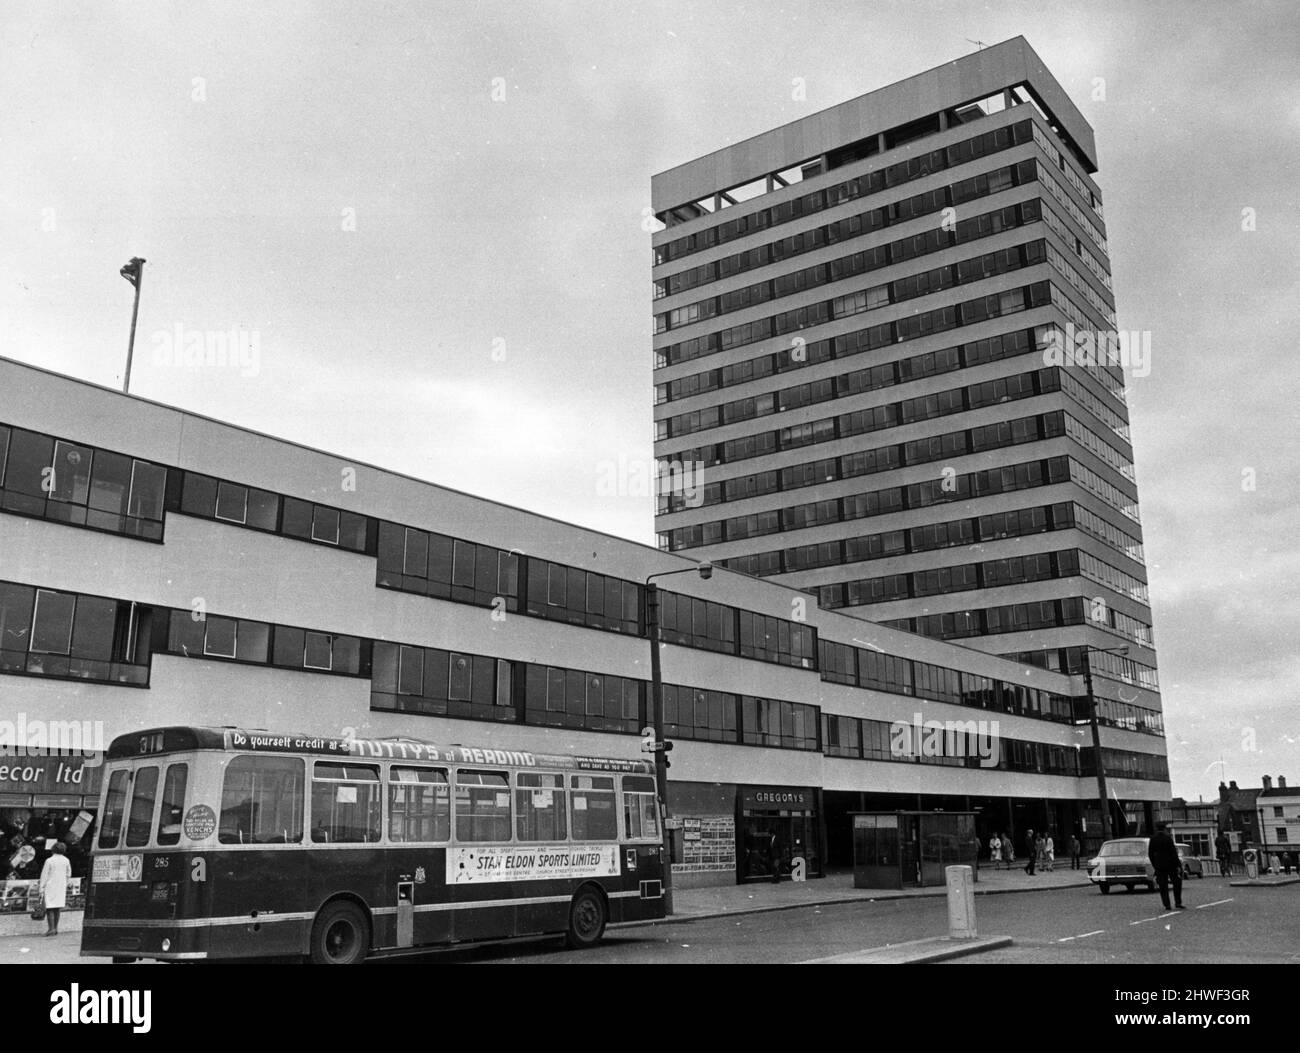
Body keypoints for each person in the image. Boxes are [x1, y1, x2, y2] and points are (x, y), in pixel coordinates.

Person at [38, 841, 72, 937]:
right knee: (57, 907)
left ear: (53, 849)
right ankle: (55, 928)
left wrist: (41, 887)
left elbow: (44, 875)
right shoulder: (66, 860)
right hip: (61, 887)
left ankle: (51, 929)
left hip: (50, 886)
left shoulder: (49, 860)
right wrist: (65, 882)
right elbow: (68, 874)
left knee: (50, 907)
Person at [1148, 823, 1184, 910]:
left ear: (1157, 829)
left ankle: (1167, 904)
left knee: (1163, 886)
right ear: (1164, 829)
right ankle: (1178, 902)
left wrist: (1155, 864)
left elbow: (1150, 853)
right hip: (1171, 864)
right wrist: (1178, 865)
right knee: (1177, 883)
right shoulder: (1168, 838)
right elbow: (1173, 853)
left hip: (1159, 865)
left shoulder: (1153, 839)